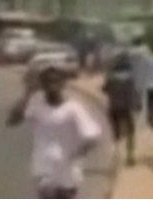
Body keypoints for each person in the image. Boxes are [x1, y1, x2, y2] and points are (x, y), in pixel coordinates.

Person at [8, 64, 102, 198]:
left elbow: (92, 136)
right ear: (42, 85)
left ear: (63, 84)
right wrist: (28, 93)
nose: (52, 86)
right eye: (47, 82)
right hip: (44, 169)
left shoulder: (74, 108)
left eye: (55, 81)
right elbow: (13, 120)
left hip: (67, 172)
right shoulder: (36, 107)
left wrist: (77, 154)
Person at [103, 52, 139, 166]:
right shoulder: (131, 78)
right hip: (127, 108)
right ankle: (130, 155)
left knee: (116, 133)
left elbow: (105, 89)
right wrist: (137, 105)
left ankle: (116, 156)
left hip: (114, 107)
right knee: (131, 132)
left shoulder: (111, 77)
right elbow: (134, 93)